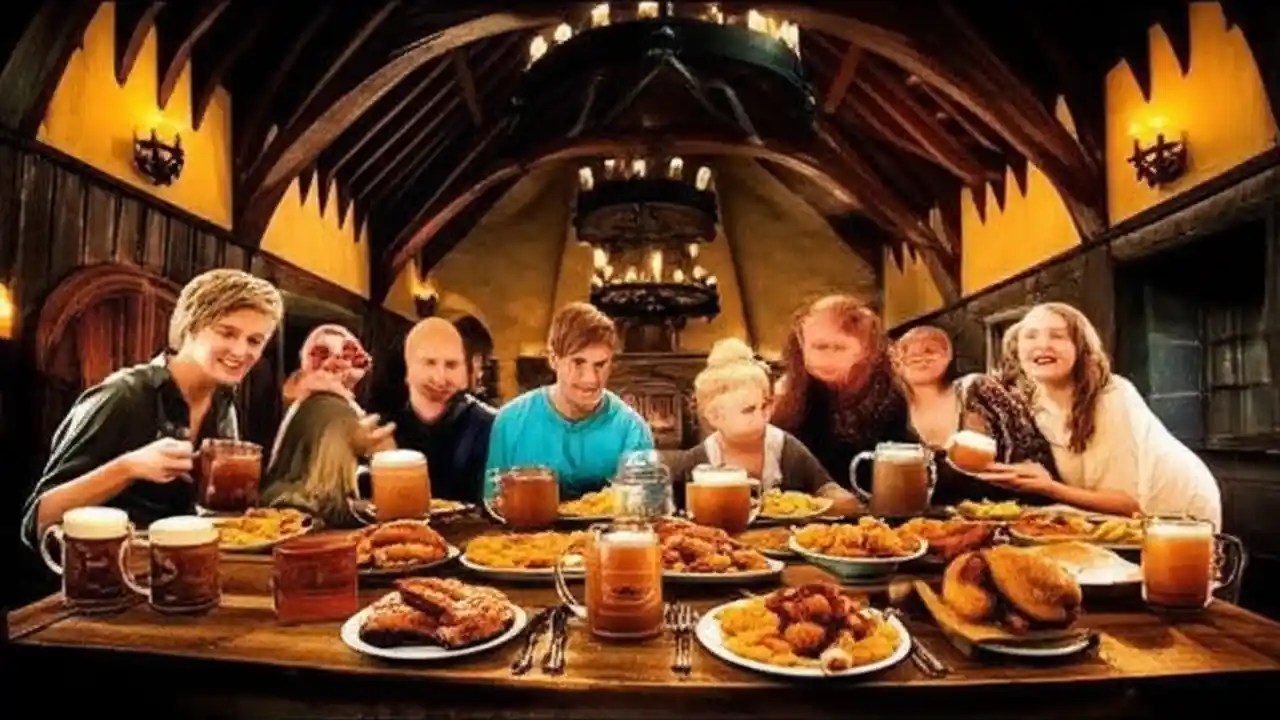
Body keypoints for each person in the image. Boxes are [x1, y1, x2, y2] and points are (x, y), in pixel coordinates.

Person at [21, 269, 283, 548]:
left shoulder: (224, 404)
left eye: (254, 341)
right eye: (227, 333)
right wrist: (129, 467)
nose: (241, 351)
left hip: (182, 573)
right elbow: (37, 520)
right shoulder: (124, 396)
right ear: (191, 327)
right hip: (101, 578)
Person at [979, 302, 1222, 527]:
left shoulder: (1113, 396)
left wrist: (1049, 487)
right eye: (1030, 336)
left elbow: (1127, 505)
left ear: (1081, 348)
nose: (1043, 345)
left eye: (1058, 335)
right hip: (1115, 519)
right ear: (1017, 350)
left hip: (1179, 515)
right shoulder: (1032, 404)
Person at [668, 338, 860, 515]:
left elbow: (825, 487)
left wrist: (837, 498)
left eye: (766, 405)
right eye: (749, 410)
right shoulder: (697, 461)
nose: (762, 416)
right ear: (715, 417)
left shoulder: (785, 448)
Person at [485, 302, 654, 498]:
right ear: (553, 359)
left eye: (600, 365)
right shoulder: (509, 423)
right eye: (578, 363)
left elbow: (646, 512)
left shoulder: (632, 430)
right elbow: (495, 505)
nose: (591, 379)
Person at [890, 325, 1059, 506]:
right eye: (906, 351)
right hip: (928, 524)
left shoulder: (977, 388)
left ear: (948, 355)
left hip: (1008, 514)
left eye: (929, 350)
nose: (918, 357)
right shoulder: (892, 412)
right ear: (894, 362)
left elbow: (1032, 451)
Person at [771, 295, 913, 491]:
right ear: (802, 341)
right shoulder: (786, 391)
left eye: (839, 348)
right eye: (819, 346)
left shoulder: (888, 395)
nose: (827, 357)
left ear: (865, 351)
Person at [261, 325, 395, 528]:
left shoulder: (351, 409)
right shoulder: (321, 405)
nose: (337, 361)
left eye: (348, 353)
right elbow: (330, 497)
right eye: (322, 353)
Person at [387, 317, 497, 504]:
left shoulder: (491, 425)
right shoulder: (383, 426)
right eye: (429, 363)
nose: (440, 378)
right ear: (408, 366)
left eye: (451, 365)